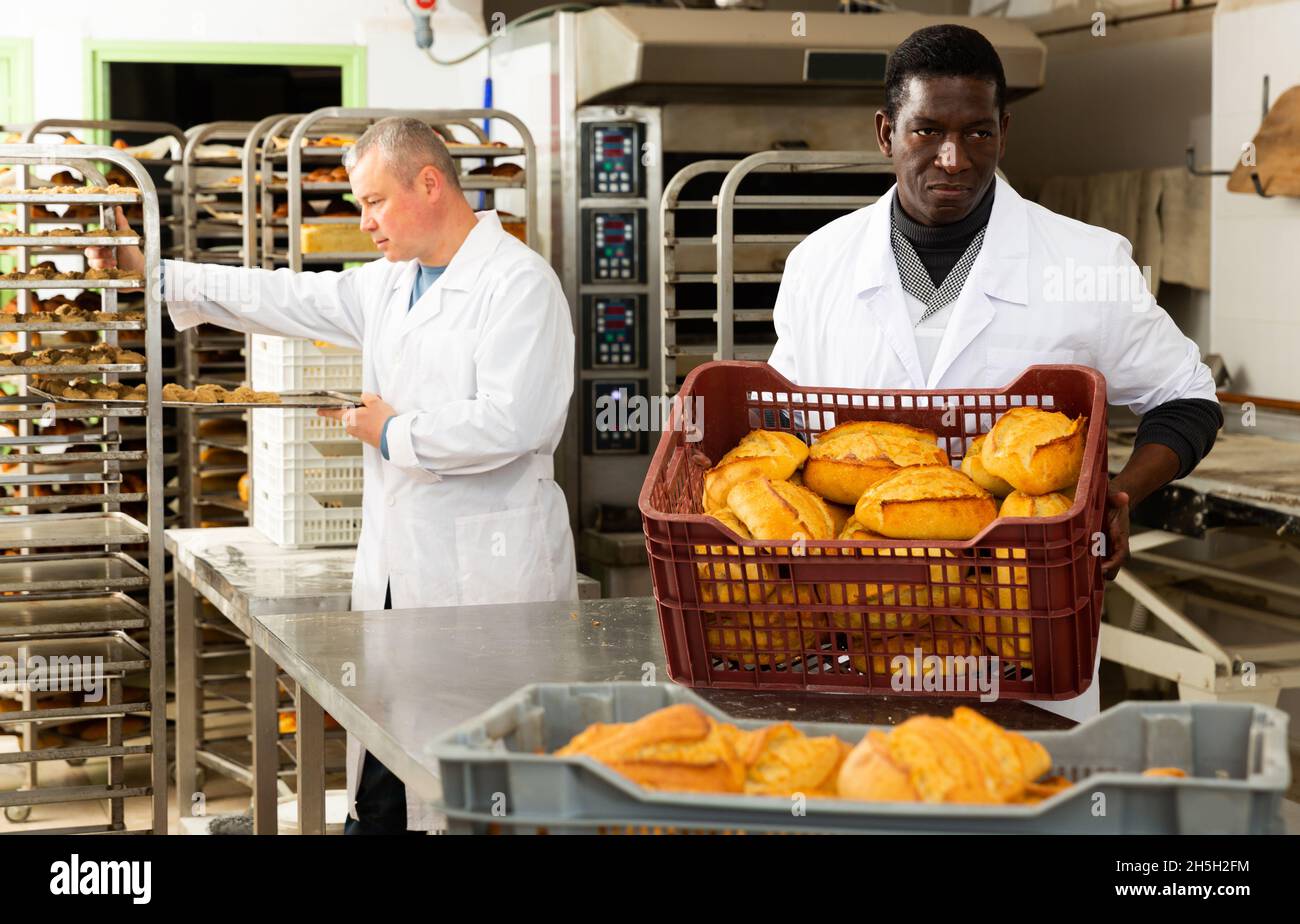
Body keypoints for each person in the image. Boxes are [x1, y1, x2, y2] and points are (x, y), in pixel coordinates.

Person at [90, 116, 578, 831]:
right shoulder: (392, 282)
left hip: (483, 579)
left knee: (474, 788)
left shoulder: (518, 285)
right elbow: (286, 296)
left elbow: (517, 420)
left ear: (431, 183)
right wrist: (153, 272)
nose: (365, 222)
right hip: (397, 574)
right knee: (388, 764)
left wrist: (393, 431)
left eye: (375, 202)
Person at [767, 25, 1223, 721]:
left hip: (1021, 640)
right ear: (887, 132)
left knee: (1016, 806)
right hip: (855, 636)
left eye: (977, 134)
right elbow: (782, 415)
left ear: (1004, 133)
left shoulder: (1085, 262)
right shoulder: (819, 265)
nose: (953, 158)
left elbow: (1186, 398)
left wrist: (1119, 496)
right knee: (871, 803)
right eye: (927, 132)